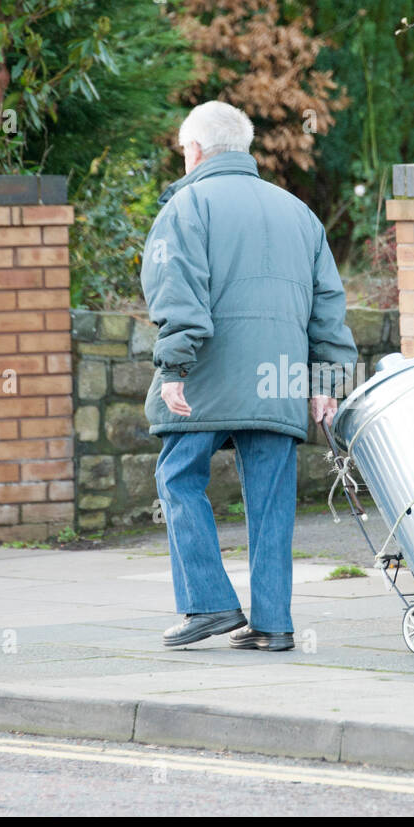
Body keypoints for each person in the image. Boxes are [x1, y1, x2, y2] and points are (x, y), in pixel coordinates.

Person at [141, 100, 357, 652]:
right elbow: (328, 308)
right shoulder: (299, 213)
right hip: (280, 380)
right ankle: (273, 624)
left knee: (179, 479)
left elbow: (177, 294)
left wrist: (174, 367)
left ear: (195, 150)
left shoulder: (187, 207)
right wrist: (328, 383)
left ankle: (209, 603)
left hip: (206, 378)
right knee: (271, 500)